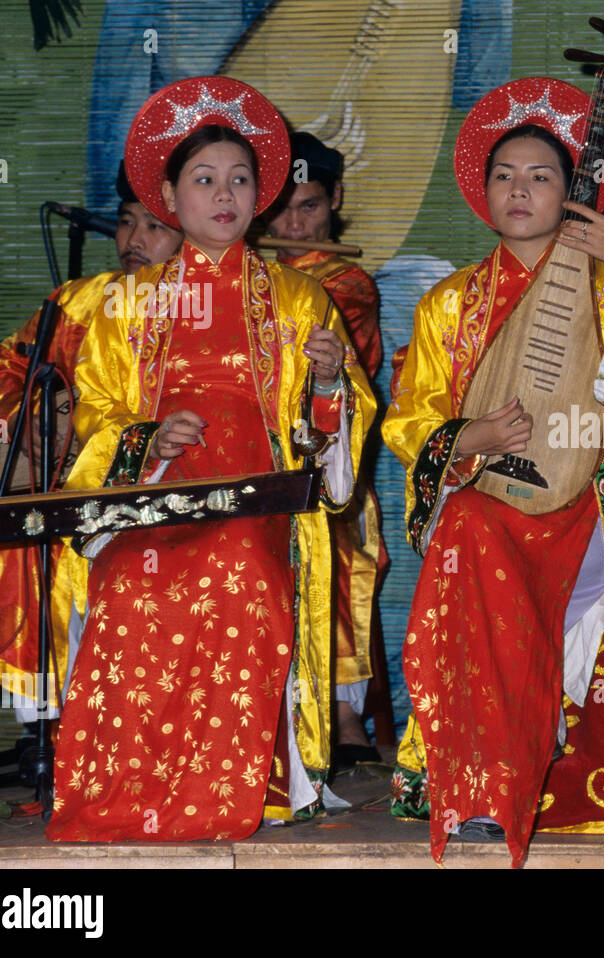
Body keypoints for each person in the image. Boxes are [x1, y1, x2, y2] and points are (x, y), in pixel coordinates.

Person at [381, 77, 604, 867]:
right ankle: (478, 792)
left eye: (540, 176)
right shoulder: (448, 305)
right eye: (504, 175)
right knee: (469, 533)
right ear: (484, 193)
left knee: (495, 549)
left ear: (571, 193)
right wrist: (469, 435)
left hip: (591, 499)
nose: (520, 190)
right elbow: (410, 419)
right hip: (488, 500)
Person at [45, 75, 375, 841]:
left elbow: (336, 426)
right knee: (129, 581)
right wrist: (143, 439)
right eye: (203, 180)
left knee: (242, 570)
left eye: (238, 179)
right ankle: (129, 794)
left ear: (260, 193)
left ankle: (233, 791)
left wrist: (328, 380)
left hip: (257, 494)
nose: (223, 195)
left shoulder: (297, 298)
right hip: (156, 492)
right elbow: (97, 411)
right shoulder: (128, 302)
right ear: (168, 192)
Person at [0, 165, 183, 718]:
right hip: (71, 493)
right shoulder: (82, 300)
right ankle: (48, 738)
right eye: (127, 223)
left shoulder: (206, 305)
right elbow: (2, 365)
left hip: (162, 491)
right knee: (22, 539)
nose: (133, 240)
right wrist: (26, 416)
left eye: (154, 226)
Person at [266, 131, 388, 768]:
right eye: (280, 210)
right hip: (248, 461)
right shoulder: (245, 274)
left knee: (336, 547)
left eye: (309, 207)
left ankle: (342, 713)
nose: (293, 224)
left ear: (335, 199)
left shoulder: (346, 283)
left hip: (323, 468)